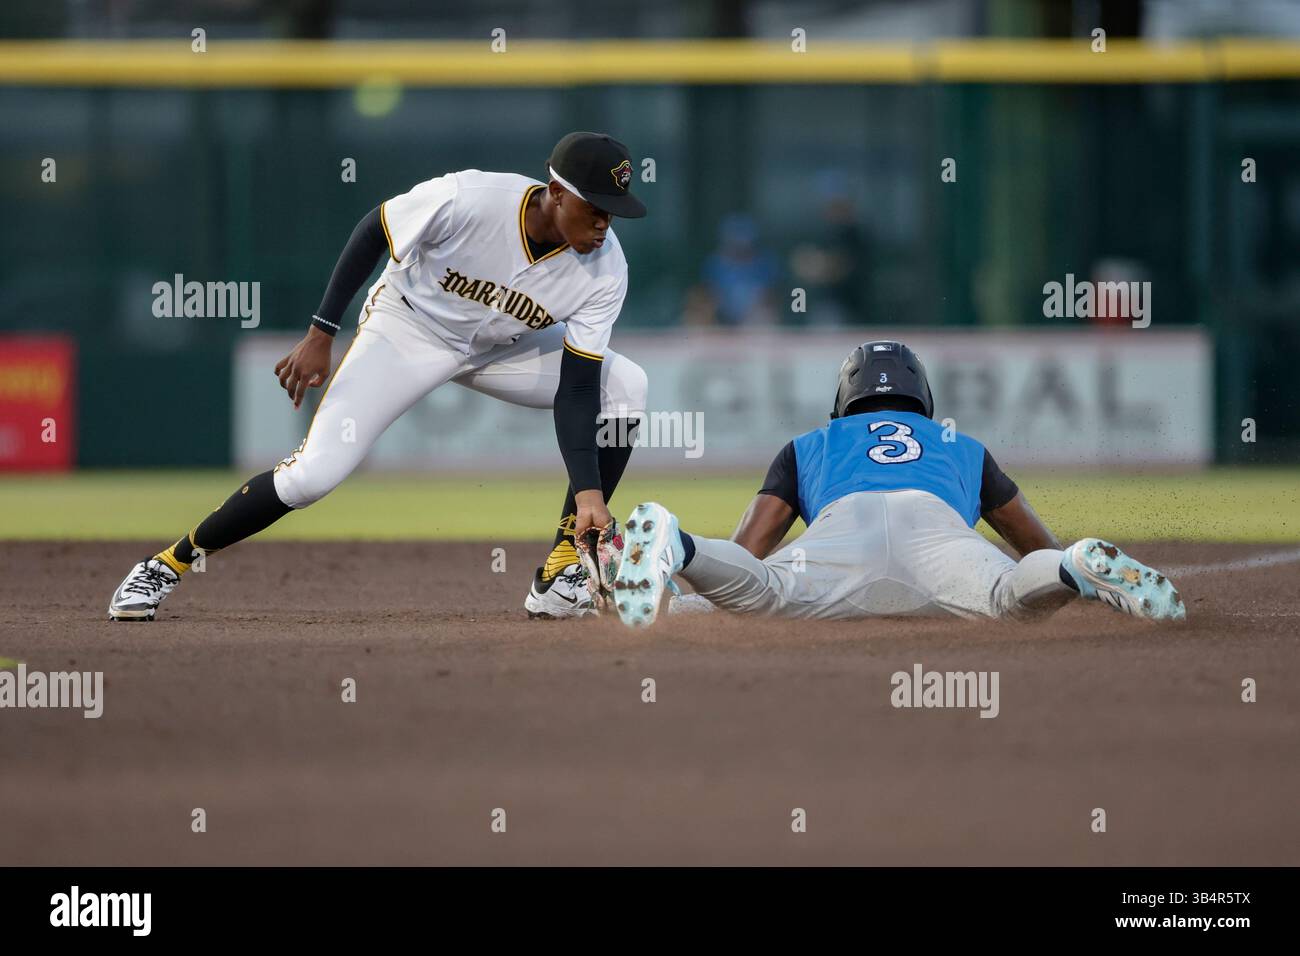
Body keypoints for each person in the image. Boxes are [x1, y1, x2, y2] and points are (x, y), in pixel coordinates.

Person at [108, 132, 648, 622]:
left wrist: (589, 493)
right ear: (556, 191)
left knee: (627, 386)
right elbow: (375, 228)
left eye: (614, 212)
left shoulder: (606, 270)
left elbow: (579, 387)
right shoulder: (470, 199)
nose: (605, 223)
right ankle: (167, 564)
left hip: (501, 350)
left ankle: (559, 572)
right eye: (596, 207)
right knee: (312, 476)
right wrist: (322, 332)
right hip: (407, 328)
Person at [611, 341, 1185, 627]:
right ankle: (1083, 566)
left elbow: (746, 557)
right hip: (937, 531)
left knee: (762, 592)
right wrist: (1057, 567)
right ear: (924, 399)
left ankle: (676, 543)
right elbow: (1034, 544)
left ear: (844, 400)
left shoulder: (810, 444)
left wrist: (688, 601)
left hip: (843, 530)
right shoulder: (962, 445)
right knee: (1011, 594)